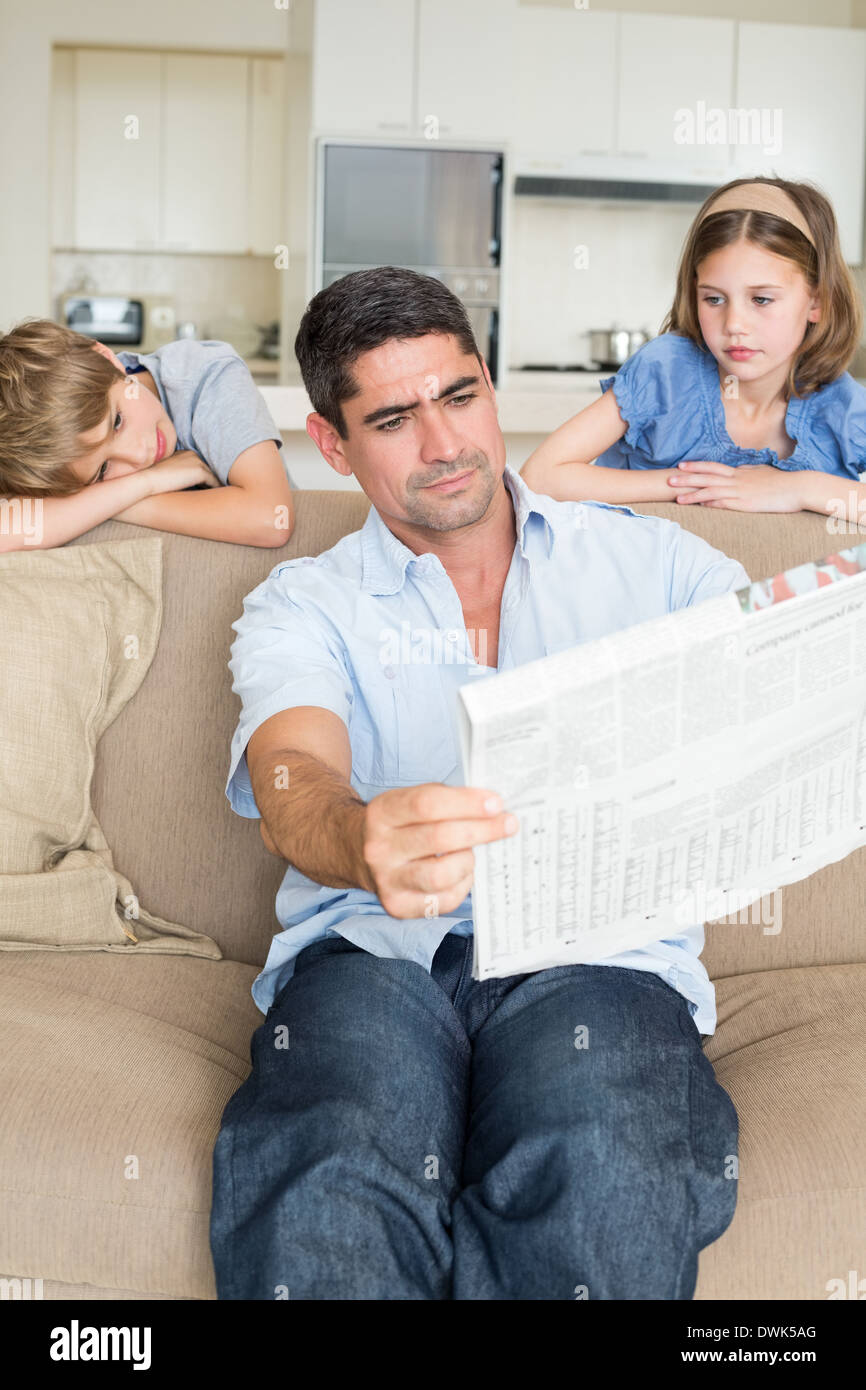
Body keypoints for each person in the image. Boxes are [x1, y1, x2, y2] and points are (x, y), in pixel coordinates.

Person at [209, 265, 745, 1300]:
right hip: (374, 957)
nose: (445, 444)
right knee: (332, 1158)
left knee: (602, 1158)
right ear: (331, 445)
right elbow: (292, 774)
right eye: (394, 418)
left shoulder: (660, 572)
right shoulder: (303, 605)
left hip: (597, 957)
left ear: (489, 389)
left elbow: (759, 698)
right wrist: (358, 833)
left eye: (459, 397)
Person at [521, 176, 866, 527]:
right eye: (714, 299)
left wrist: (799, 488)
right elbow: (540, 477)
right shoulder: (667, 372)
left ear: (817, 302)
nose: (734, 324)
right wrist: (694, 486)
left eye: (761, 299)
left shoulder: (842, 406)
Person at [0, 319, 295, 550]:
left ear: (107, 357)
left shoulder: (204, 374)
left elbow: (271, 518)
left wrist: (99, 502)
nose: (138, 454)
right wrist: (144, 484)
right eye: (103, 470)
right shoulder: (44, 461)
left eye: (117, 422)